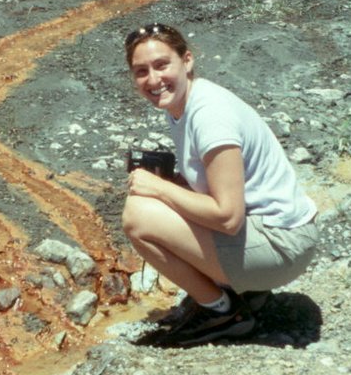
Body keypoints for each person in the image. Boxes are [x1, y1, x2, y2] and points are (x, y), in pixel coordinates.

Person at [121, 22, 318, 338]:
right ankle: (243, 292)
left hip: (284, 246)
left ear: (187, 61)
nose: (153, 79)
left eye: (161, 65)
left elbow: (227, 217)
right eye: (141, 71)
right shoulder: (182, 103)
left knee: (138, 215)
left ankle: (223, 312)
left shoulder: (210, 115)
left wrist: (159, 187)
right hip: (270, 232)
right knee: (157, 200)